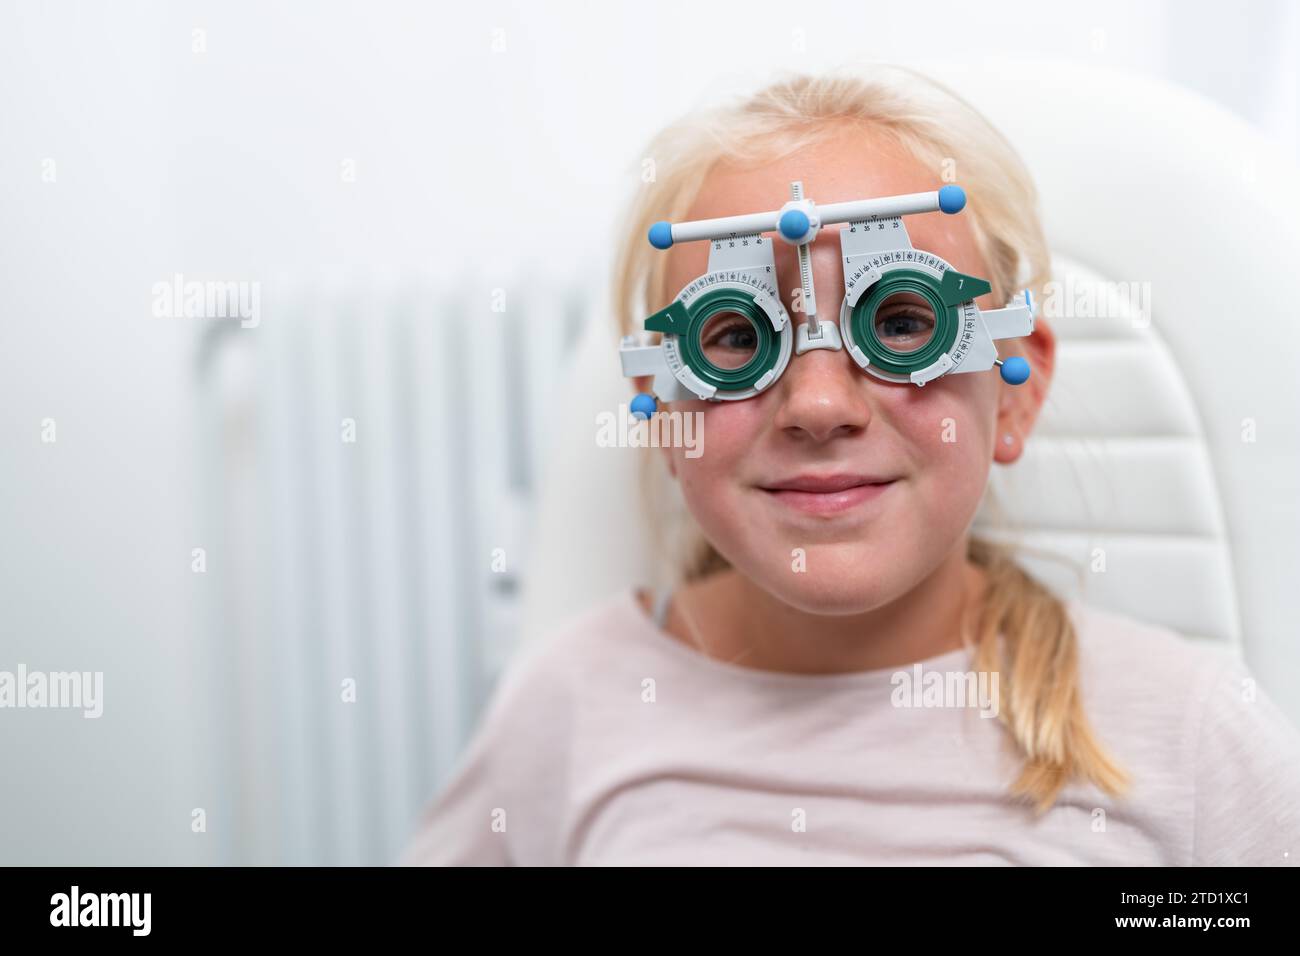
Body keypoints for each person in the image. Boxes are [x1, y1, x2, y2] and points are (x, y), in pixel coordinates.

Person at [401, 66, 1300, 865]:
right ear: (667, 411)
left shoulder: (1186, 742)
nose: (820, 407)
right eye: (737, 337)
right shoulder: (571, 706)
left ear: (1017, 392)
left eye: (903, 322)